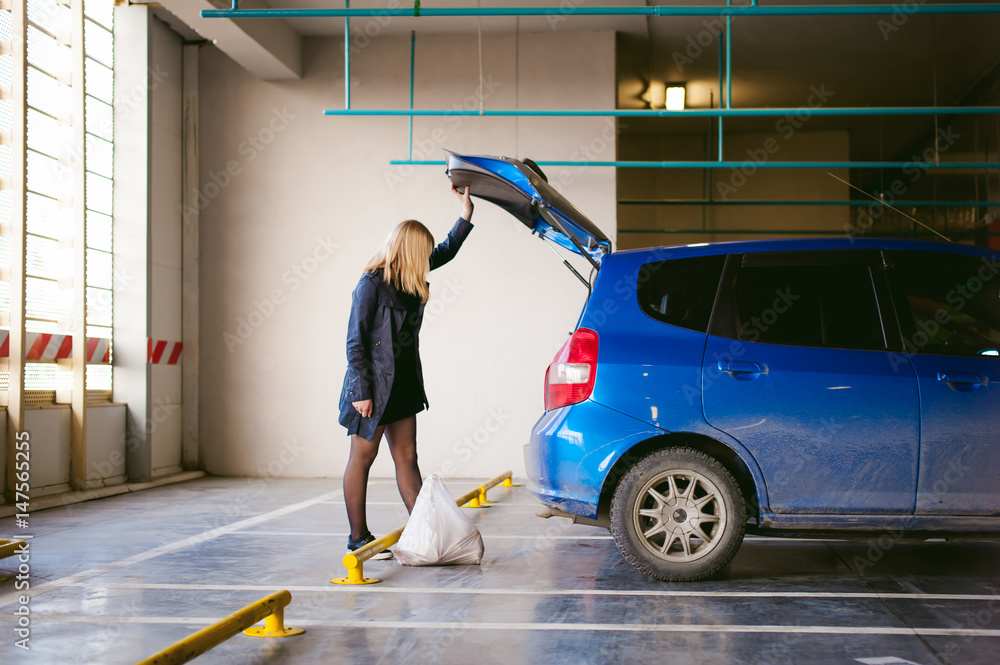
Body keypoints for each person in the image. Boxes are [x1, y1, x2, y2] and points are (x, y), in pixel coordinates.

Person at [338, 184, 475, 558]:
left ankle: (424, 534)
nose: (429, 258)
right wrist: (362, 391)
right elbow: (356, 343)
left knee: (408, 458)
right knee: (362, 458)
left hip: (403, 385)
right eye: (423, 252)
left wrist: (465, 214)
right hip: (372, 389)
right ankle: (357, 537)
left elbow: (445, 250)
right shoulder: (370, 285)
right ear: (410, 251)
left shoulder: (409, 279)